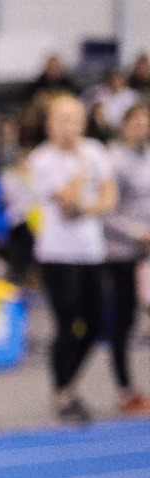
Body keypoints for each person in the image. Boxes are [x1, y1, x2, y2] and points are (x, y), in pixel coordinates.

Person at [26, 95, 117, 422]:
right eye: (62, 119)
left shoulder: (96, 150)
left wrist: (88, 206)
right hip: (57, 253)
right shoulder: (43, 159)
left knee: (94, 324)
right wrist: (79, 170)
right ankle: (62, 392)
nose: (70, 127)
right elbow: (67, 203)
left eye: (75, 119)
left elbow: (109, 197)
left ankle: (67, 384)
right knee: (66, 323)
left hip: (91, 251)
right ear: (50, 123)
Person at [105, 102, 150, 413]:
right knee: (124, 321)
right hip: (120, 253)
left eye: (146, 122)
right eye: (136, 122)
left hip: (148, 255)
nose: (142, 127)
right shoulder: (113, 160)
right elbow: (105, 212)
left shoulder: (148, 157)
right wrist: (136, 233)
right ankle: (125, 390)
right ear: (124, 125)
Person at [88, 65, 140, 140]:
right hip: (104, 129)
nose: (115, 81)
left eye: (118, 78)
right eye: (113, 78)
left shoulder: (132, 96)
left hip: (125, 129)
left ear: (124, 80)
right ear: (108, 79)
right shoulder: (99, 93)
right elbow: (95, 115)